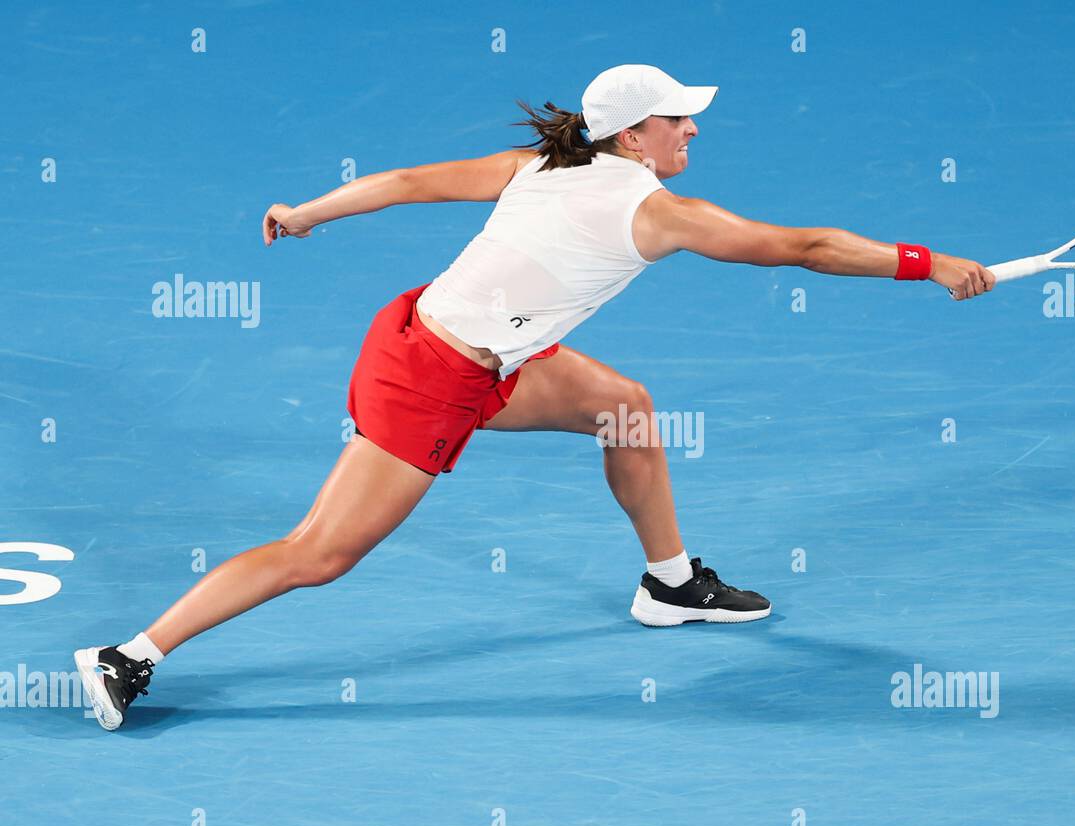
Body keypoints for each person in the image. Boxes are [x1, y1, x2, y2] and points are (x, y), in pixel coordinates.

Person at [74, 64, 996, 731]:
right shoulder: (658, 211)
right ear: (633, 136)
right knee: (320, 553)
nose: (694, 131)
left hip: (452, 345)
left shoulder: (539, 165)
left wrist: (307, 211)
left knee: (624, 406)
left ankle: (670, 585)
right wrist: (931, 264)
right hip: (429, 382)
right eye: (679, 120)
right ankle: (132, 654)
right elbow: (804, 247)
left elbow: (402, 184)